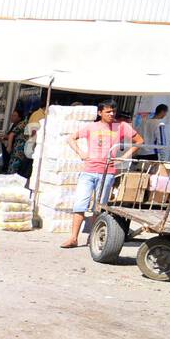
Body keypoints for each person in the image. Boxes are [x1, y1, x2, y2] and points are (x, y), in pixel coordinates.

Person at [60, 101, 142, 249]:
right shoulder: (92, 127)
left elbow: (139, 141)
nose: (111, 114)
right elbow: (71, 138)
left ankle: (93, 237)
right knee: (80, 204)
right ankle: (73, 238)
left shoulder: (121, 126)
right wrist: (81, 153)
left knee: (99, 207)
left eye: (113, 112)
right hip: (88, 171)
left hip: (107, 173)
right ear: (100, 113)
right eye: (108, 112)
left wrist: (125, 157)